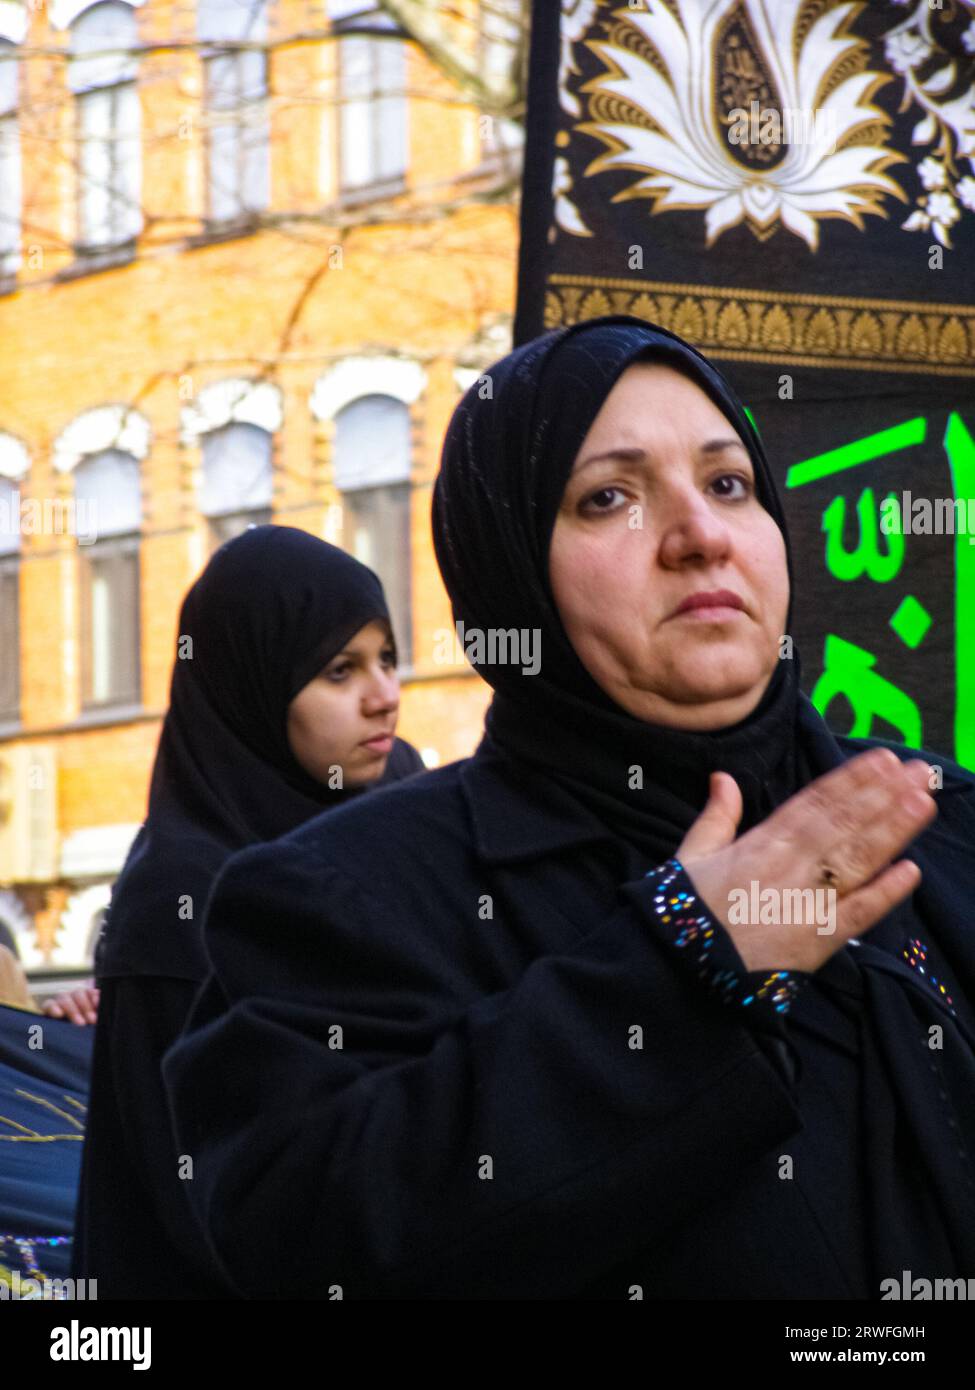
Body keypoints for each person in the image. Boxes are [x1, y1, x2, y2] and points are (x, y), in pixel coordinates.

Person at [162, 319, 975, 1300]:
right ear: (510, 570)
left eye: (728, 483)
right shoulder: (348, 894)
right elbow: (315, 1239)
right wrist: (686, 965)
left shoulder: (932, 814)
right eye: (610, 497)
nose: (700, 536)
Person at [73, 525, 425, 1297]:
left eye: (388, 659)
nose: (385, 694)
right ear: (252, 686)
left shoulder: (402, 811)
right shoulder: (180, 899)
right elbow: (198, 1207)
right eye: (340, 670)